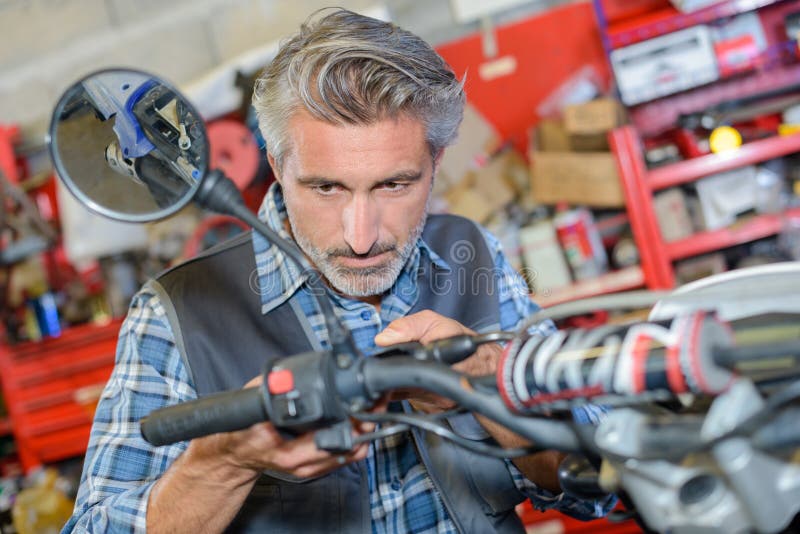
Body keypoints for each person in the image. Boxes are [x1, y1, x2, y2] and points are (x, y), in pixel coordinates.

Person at [64, 8, 614, 533]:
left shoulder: (472, 254)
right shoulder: (177, 314)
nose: (361, 236)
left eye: (394, 184)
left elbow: (602, 486)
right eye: (326, 187)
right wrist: (224, 462)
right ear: (278, 167)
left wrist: (494, 385)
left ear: (436, 163)